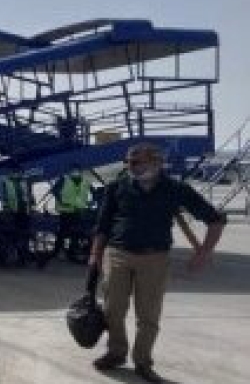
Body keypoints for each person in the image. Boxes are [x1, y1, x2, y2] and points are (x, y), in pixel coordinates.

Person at [90, 143, 225, 382]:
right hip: (118, 254)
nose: (129, 167)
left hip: (155, 259)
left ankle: (143, 362)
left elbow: (215, 220)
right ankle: (116, 353)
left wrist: (203, 253)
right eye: (128, 162)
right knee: (113, 310)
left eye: (135, 162)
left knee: (148, 315)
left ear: (156, 162)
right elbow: (102, 225)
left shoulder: (176, 189)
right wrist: (95, 254)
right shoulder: (116, 188)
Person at [51, 165, 93, 263]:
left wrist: (91, 202)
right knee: (62, 233)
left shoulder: (85, 181)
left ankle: (72, 254)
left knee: (75, 234)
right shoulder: (64, 180)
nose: (75, 172)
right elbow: (54, 191)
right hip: (66, 211)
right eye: (74, 170)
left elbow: (93, 191)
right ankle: (56, 252)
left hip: (78, 211)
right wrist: (61, 200)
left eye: (77, 170)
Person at [0, 165, 34, 265]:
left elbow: (29, 195)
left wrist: (31, 203)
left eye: (18, 171)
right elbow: (3, 196)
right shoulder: (5, 182)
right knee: (11, 234)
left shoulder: (25, 181)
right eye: (15, 171)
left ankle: (22, 257)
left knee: (23, 234)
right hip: (11, 212)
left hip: (23, 211)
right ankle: (10, 255)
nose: (17, 173)